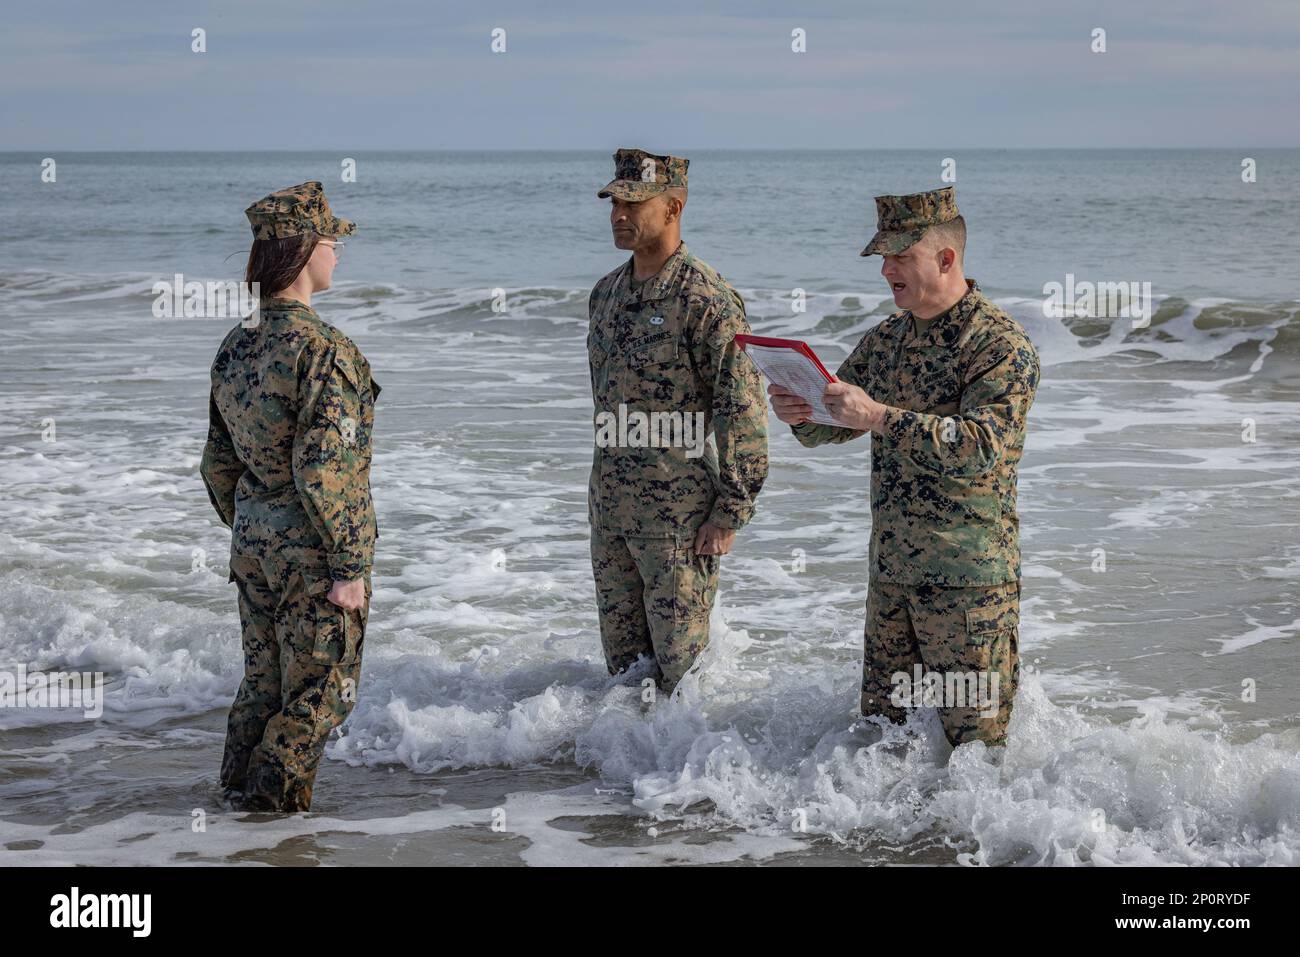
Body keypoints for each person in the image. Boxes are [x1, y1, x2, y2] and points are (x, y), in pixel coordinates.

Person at [769, 187, 1039, 747]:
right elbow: (834, 421)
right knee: (883, 742)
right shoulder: (886, 340)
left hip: (966, 584)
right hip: (892, 576)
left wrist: (881, 416)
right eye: (883, 258)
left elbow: (983, 445)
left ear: (946, 259)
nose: (887, 270)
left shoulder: (999, 344)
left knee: (975, 749)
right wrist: (799, 410)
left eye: (899, 257)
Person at [200, 181, 380, 810]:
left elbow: (217, 463)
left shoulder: (236, 345)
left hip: (252, 540)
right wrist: (349, 566)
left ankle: (232, 803)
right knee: (323, 687)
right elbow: (325, 470)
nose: (338, 254)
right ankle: (271, 818)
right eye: (332, 242)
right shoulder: (325, 351)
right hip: (311, 547)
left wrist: (252, 523)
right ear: (304, 252)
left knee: (264, 683)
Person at [588, 148, 768, 694]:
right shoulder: (607, 294)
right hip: (612, 512)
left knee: (684, 680)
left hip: (678, 520)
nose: (620, 214)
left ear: (674, 207)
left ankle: (690, 779)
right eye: (615, 201)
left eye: (634, 203)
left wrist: (731, 511)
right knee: (625, 678)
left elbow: (743, 409)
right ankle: (624, 777)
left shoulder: (706, 300)